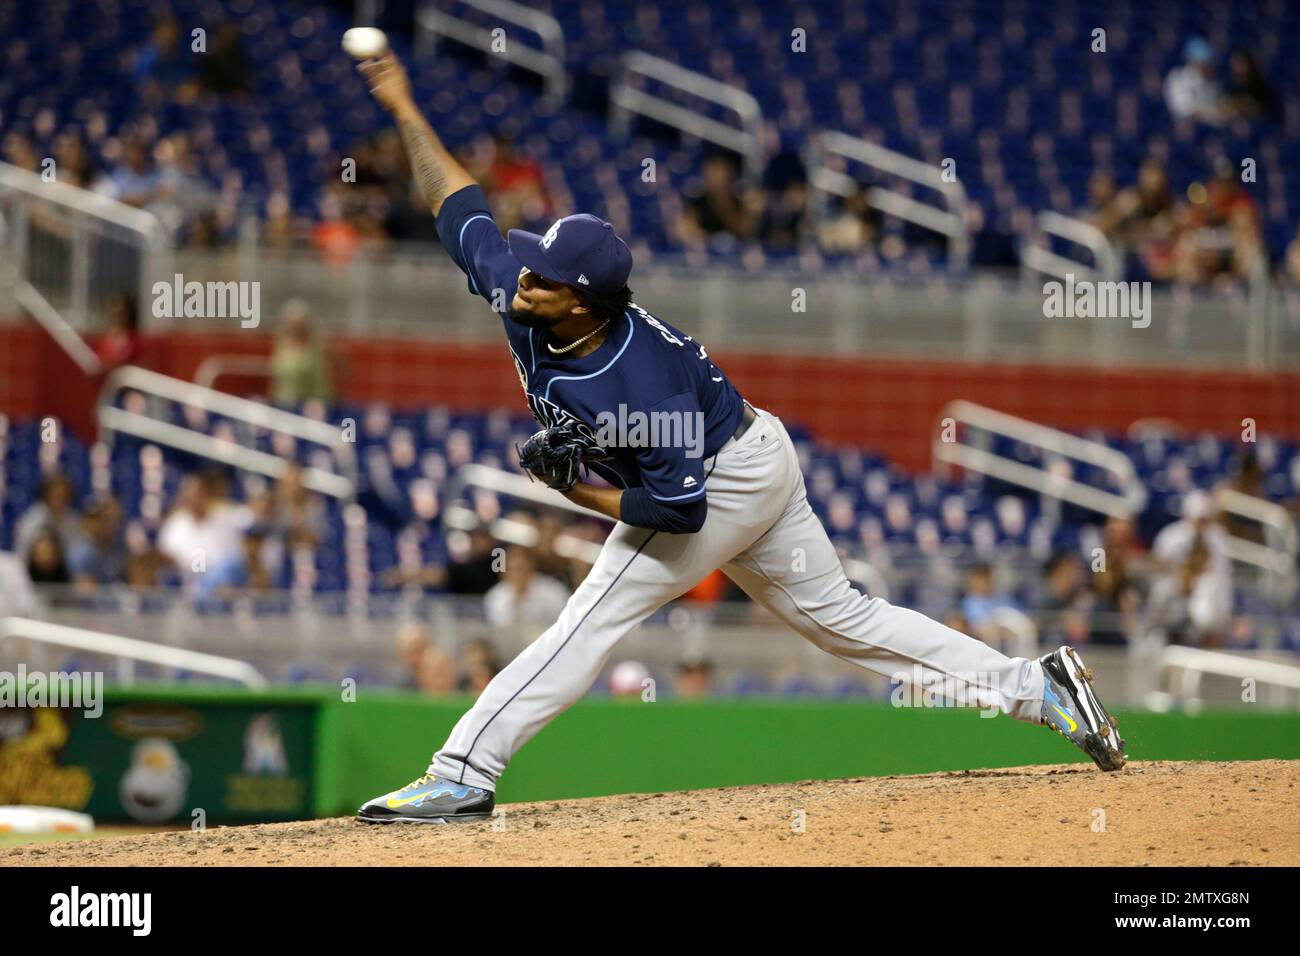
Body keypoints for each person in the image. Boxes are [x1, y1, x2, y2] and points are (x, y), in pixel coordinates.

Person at [353, 51, 1126, 826]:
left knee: (591, 618)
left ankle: (463, 770)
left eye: (545, 278)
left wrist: (571, 489)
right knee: (844, 621)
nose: (524, 281)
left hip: (725, 479)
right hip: (751, 449)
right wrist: (404, 108)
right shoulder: (521, 288)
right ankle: (1039, 688)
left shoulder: (639, 381)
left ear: (584, 305)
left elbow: (679, 512)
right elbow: (458, 204)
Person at [1164, 37, 1223, 124]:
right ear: (1192, 61)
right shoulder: (1177, 77)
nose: (1207, 66)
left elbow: (1218, 107)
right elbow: (1183, 110)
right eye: (1203, 62)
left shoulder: (1212, 81)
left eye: (1208, 62)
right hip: (1183, 127)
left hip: (1210, 128)